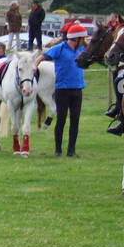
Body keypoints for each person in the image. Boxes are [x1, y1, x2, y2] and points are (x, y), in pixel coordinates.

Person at [35, 23, 88, 157]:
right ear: (76, 38)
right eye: (83, 38)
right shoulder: (59, 48)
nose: (84, 40)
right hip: (62, 90)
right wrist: (34, 67)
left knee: (75, 121)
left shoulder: (82, 49)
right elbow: (42, 57)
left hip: (77, 89)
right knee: (61, 120)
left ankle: (71, 150)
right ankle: (58, 150)